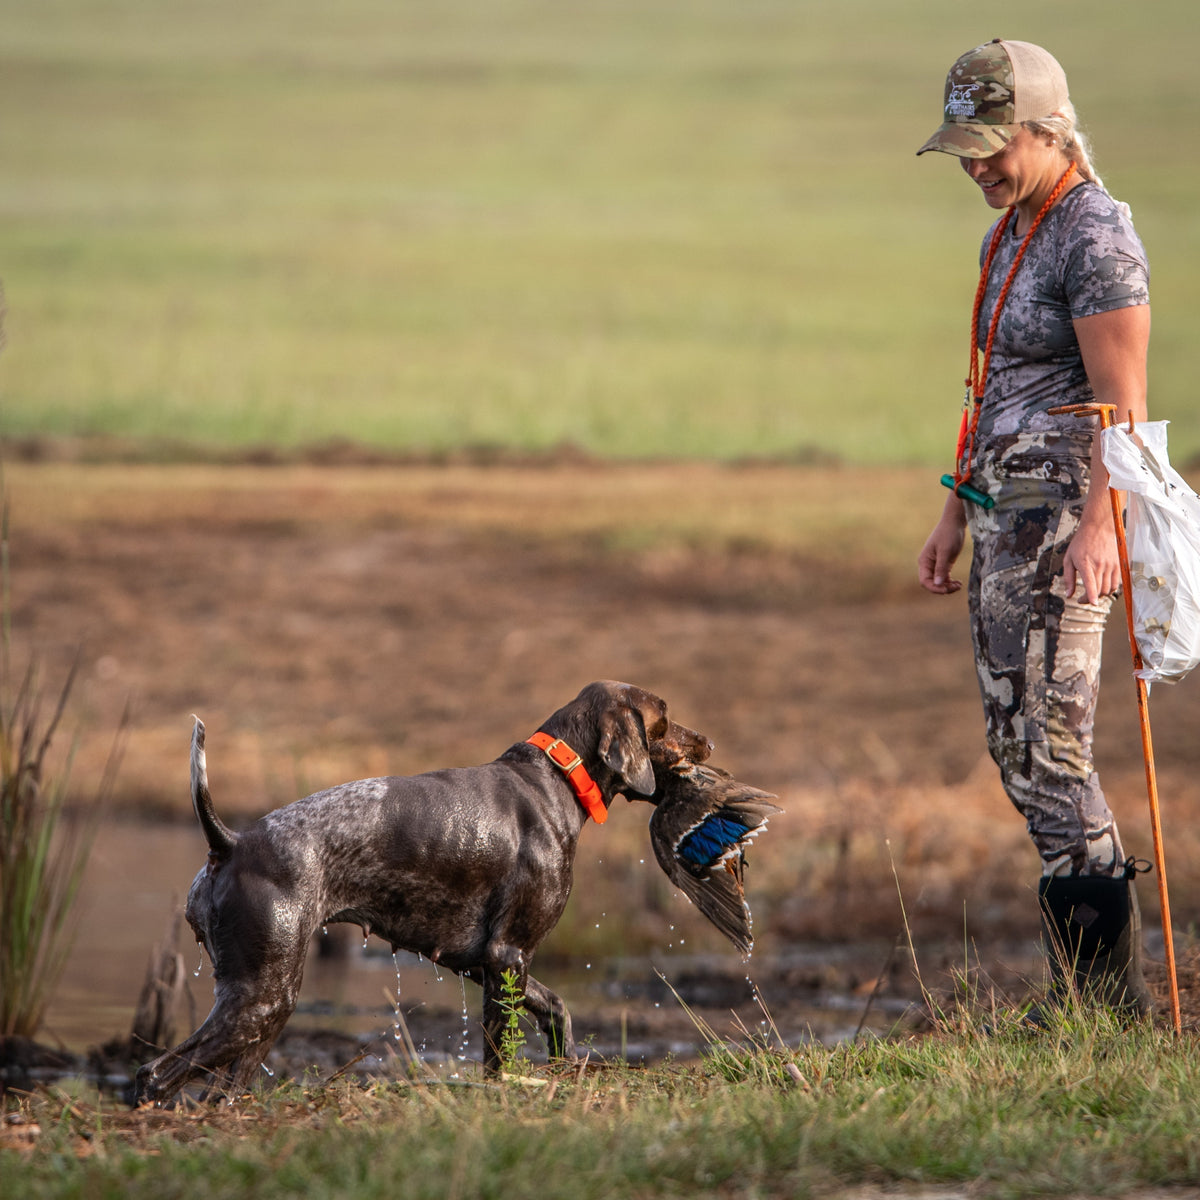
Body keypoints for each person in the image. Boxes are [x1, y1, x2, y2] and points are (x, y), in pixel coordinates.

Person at [915, 39, 1153, 1018]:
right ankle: (1081, 997)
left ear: (1047, 131)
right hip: (1003, 514)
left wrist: (1103, 526)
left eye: (991, 146)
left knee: (1052, 749)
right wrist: (952, 512)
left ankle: (1105, 1009)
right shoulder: (1010, 230)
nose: (976, 165)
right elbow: (995, 387)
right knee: (1015, 749)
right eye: (965, 148)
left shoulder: (1095, 237)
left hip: (1064, 519)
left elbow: (1123, 405)